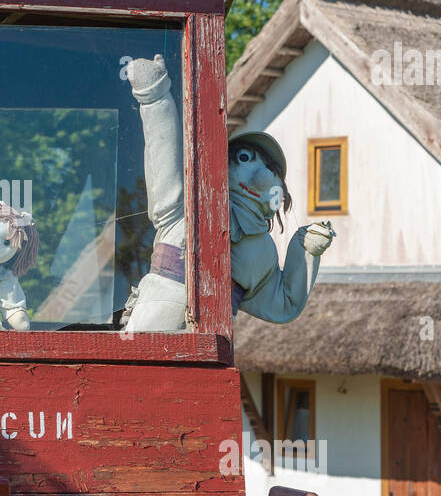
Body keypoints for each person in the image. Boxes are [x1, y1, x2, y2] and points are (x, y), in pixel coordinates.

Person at [120, 54, 334, 332]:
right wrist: (155, 97)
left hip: (209, 352)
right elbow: (164, 162)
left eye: (270, 170)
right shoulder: (189, 211)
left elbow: (285, 302)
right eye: (244, 158)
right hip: (147, 335)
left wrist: (303, 248)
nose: (261, 174)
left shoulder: (263, 251)